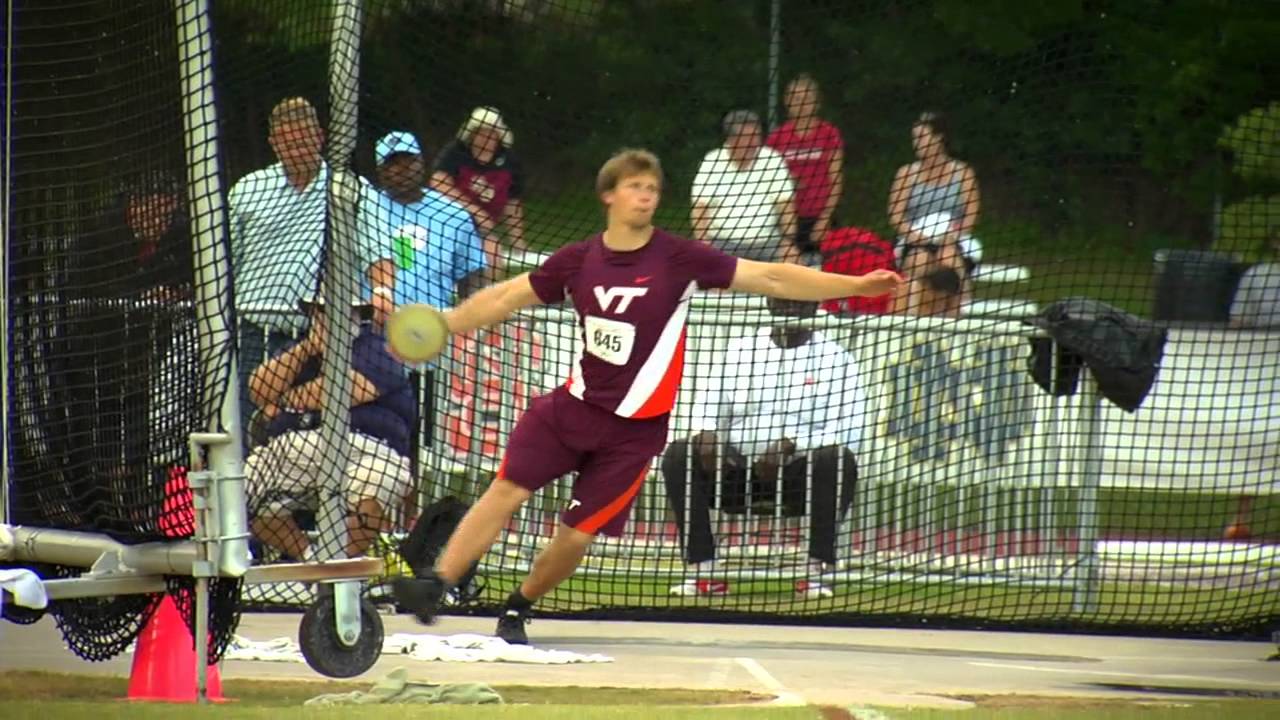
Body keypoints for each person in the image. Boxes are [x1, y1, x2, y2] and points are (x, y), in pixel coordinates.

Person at [391, 148, 900, 645]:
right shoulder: (577, 260)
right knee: (506, 489)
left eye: (653, 189)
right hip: (571, 409)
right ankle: (437, 583)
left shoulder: (679, 258)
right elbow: (505, 295)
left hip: (633, 434)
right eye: (635, 186)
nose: (646, 196)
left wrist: (854, 283)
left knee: (576, 536)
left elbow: (769, 275)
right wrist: (445, 323)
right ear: (608, 194)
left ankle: (518, 605)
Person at [662, 297, 862, 599]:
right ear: (769, 302)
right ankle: (703, 569)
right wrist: (707, 433)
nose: (791, 305)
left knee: (838, 459)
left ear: (814, 304)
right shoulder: (740, 351)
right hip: (734, 472)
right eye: (783, 298)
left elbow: (849, 431)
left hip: (800, 476)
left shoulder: (836, 358)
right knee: (679, 454)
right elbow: (706, 407)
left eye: (799, 298)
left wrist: (791, 445)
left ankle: (817, 571)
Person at [228, 96, 382, 448]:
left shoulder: (349, 190)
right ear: (273, 143)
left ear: (320, 137)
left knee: (312, 432)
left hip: (324, 338)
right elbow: (226, 261)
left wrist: (382, 291)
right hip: (254, 333)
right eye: (286, 140)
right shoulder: (247, 190)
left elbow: (378, 254)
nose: (295, 148)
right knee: (246, 427)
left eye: (303, 138)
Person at [244, 294, 416, 561]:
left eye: (343, 310)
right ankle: (312, 559)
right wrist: (306, 350)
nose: (329, 317)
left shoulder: (376, 348)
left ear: (359, 315)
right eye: (322, 311)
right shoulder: (299, 348)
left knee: (375, 486)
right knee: (243, 488)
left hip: (369, 449)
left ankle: (339, 568)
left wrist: (282, 399)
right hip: (298, 446)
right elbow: (258, 388)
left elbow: (341, 390)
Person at [361, 130, 488, 319]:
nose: (403, 170)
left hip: (432, 329)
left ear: (422, 163)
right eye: (393, 164)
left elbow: (472, 276)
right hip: (373, 327)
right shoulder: (364, 209)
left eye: (409, 161)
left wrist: (469, 323)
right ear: (380, 171)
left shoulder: (453, 215)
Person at [887, 112, 982, 301]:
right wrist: (916, 237)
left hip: (952, 241)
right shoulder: (906, 174)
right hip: (915, 241)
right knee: (920, 261)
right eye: (915, 138)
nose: (917, 143)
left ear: (939, 138)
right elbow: (896, 216)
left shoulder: (963, 173)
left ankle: (959, 317)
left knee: (950, 261)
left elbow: (972, 213)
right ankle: (913, 319)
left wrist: (953, 236)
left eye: (922, 137)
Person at [691, 110, 797, 262]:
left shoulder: (772, 159)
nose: (754, 143)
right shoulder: (712, 161)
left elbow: (786, 206)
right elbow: (700, 208)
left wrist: (788, 242)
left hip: (768, 243)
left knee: (793, 264)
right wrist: (703, 243)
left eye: (756, 136)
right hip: (722, 243)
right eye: (748, 138)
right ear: (731, 139)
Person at [430, 106, 527, 266]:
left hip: (483, 232)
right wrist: (476, 212)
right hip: (447, 226)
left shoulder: (510, 161)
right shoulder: (456, 153)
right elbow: (438, 182)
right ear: (472, 134)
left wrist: (517, 241)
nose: (485, 138)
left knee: (493, 258)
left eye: (490, 133)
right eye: (480, 132)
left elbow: (512, 203)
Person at [766, 74, 844, 259]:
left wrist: (824, 219)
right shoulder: (777, 137)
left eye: (807, 98)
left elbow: (836, 179)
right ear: (787, 102)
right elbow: (767, 180)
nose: (801, 103)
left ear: (816, 102)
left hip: (821, 216)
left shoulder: (829, 133)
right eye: (796, 98)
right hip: (787, 219)